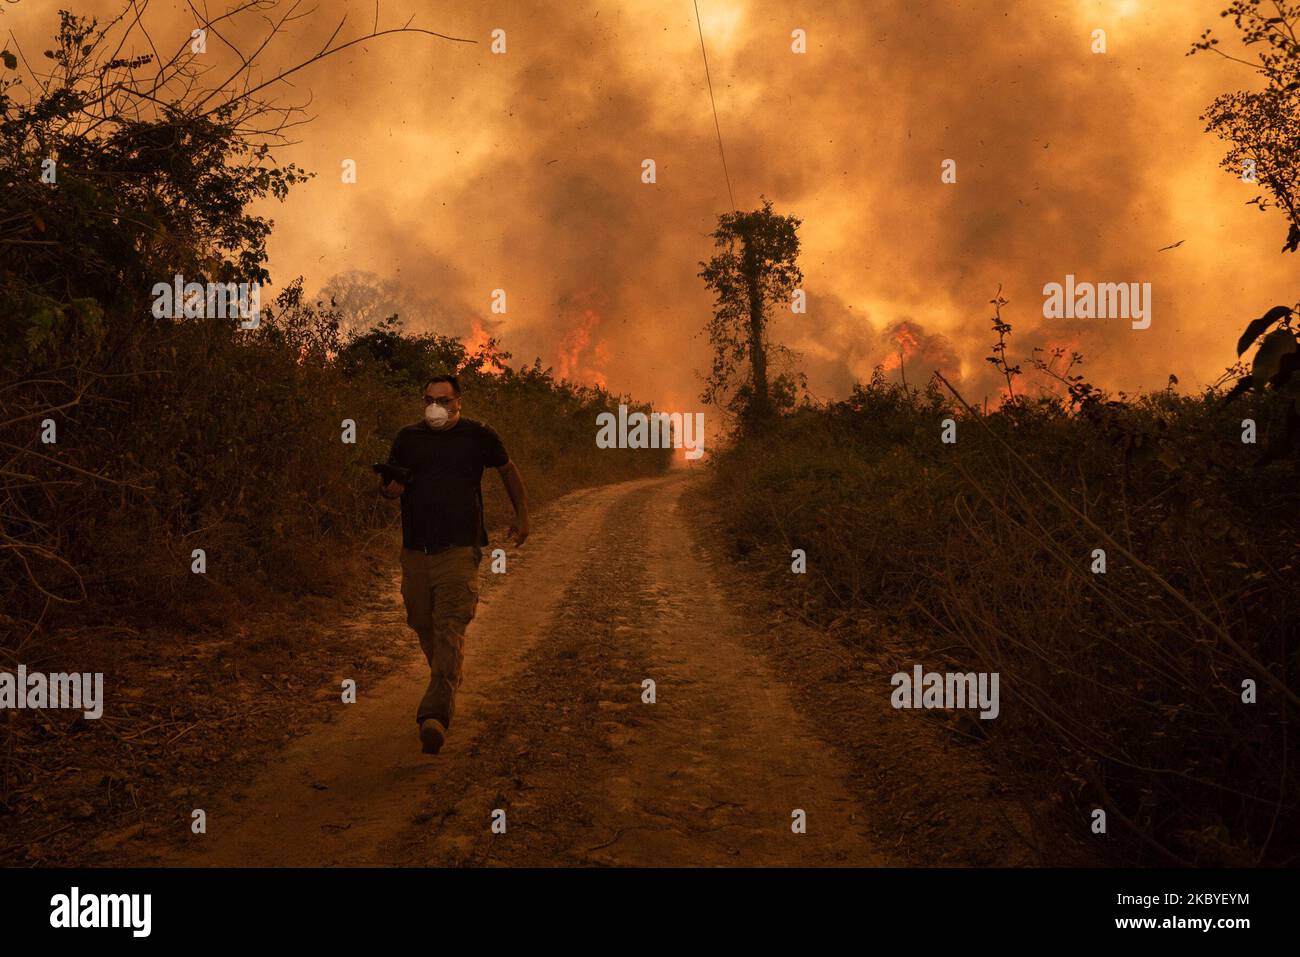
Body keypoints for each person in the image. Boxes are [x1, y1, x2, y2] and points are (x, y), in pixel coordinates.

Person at [380, 374, 529, 754]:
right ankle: (446, 677)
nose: (436, 407)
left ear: (459, 402)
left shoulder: (478, 435)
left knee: (450, 626)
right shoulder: (408, 438)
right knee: (421, 622)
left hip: (459, 550)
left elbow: (508, 470)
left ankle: (434, 715)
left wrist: (522, 515)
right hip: (415, 551)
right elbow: (390, 486)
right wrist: (390, 490)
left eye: (444, 400)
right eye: (429, 399)